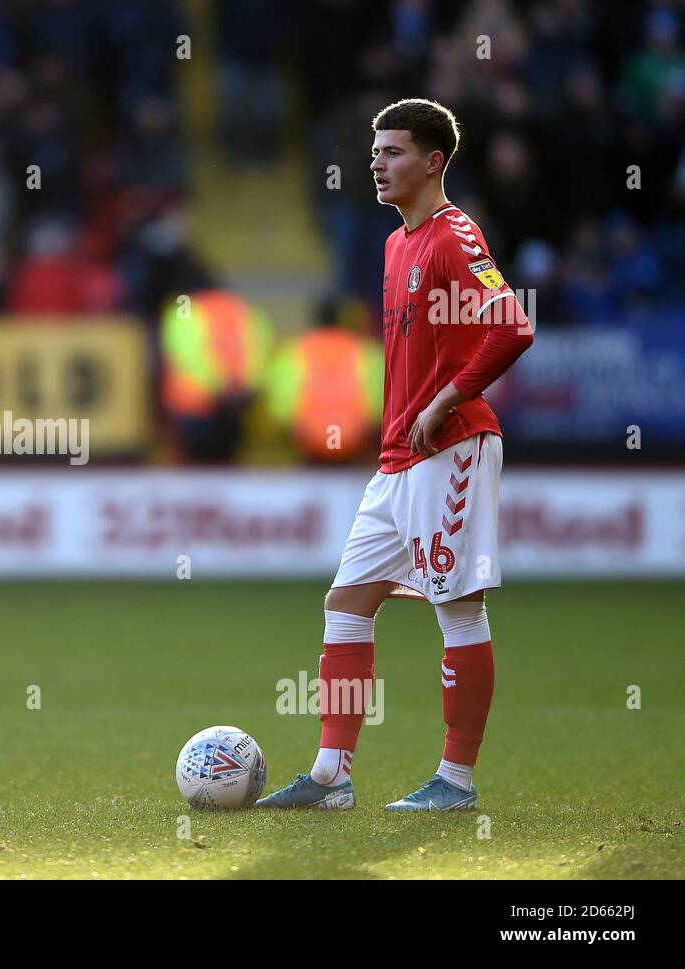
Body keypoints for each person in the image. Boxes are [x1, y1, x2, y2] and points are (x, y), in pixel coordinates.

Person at [257, 99, 534, 812]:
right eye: (375, 151)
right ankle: (329, 776)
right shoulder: (394, 244)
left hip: (454, 445)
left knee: (458, 608)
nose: (377, 163)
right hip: (396, 459)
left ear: (434, 161)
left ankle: (457, 781)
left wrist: (446, 398)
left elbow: (511, 326)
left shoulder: (454, 234)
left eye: (394, 151)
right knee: (346, 603)